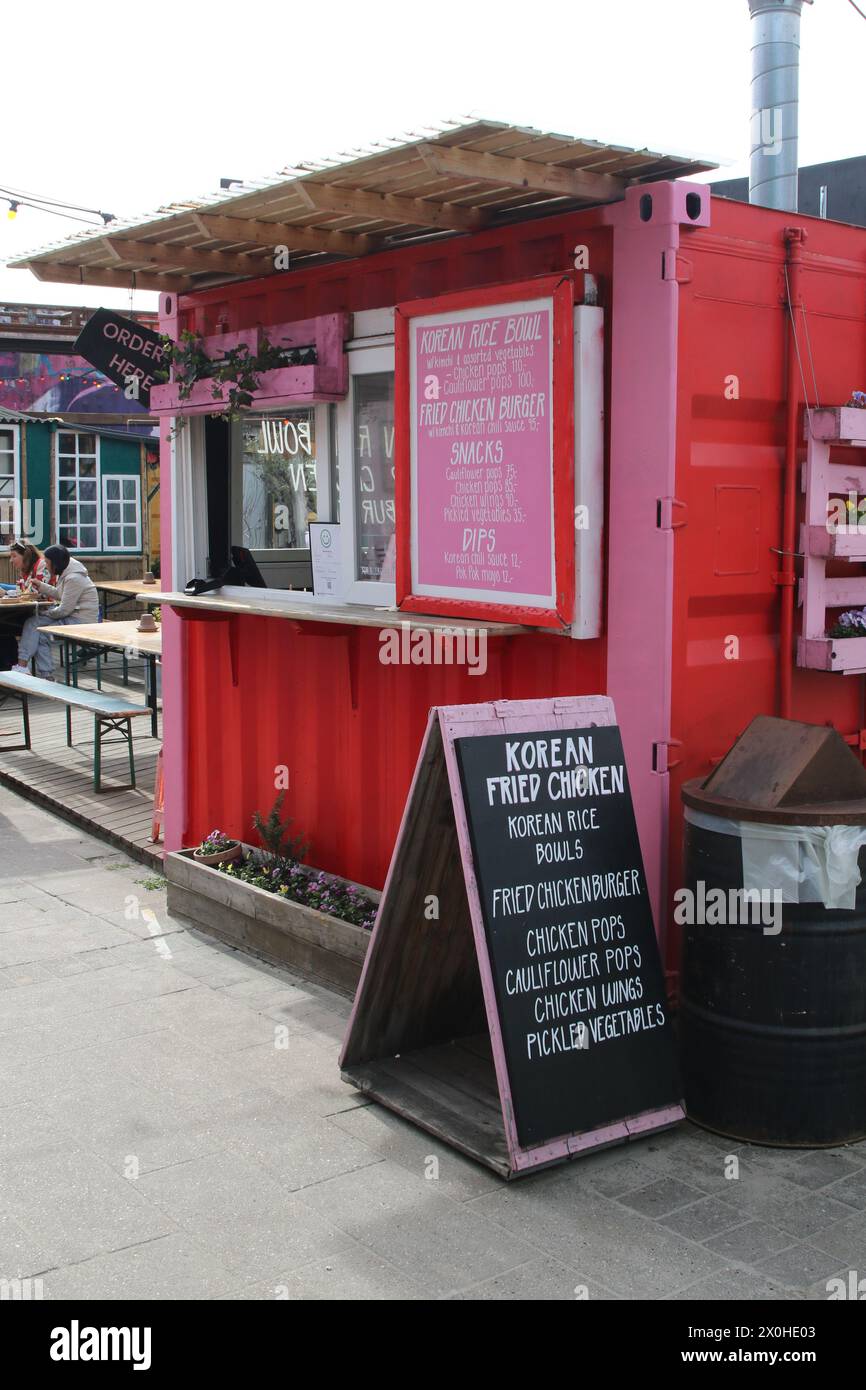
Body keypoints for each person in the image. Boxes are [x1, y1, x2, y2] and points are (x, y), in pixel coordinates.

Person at [14, 544, 99, 678]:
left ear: (56, 562)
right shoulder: (67, 572)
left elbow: (64, 610)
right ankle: (32, 669)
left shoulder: (74, 578)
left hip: (81, 622)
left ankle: (29, 667)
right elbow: (60, 594)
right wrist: (41, 586)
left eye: (47, 563)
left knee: (38, 629)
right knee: (34, 624)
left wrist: (45, 613)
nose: (46, 566)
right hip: (71, 615)